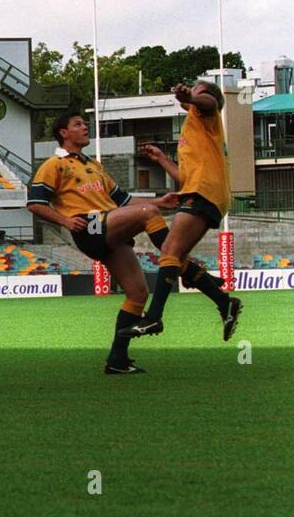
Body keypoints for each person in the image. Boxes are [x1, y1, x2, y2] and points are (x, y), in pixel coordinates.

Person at [28, 111, 186, 373]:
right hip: (90, 226)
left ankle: (117, 361)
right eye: (78, 124)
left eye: (84, 123)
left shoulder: (94, 165)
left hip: (109, 227)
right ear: (64, 133)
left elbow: (123, 201)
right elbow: (35, 203)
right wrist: (65, 221)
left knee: (138, 293)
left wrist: (159, 201)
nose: (85, 127)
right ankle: (183, 263)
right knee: (148, 214)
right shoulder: (54, 164)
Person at [121, 81, 243, 340]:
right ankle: (223, 301)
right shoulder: (194, 126)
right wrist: (162, 159)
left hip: (204, 193)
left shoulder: (205, 113)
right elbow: (185, 177)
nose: (188, 91)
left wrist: (192, 97)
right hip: (202, 192)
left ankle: (154, 318)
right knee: (177, 259)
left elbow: (211, 102)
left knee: (169, 251)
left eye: (194, 89)